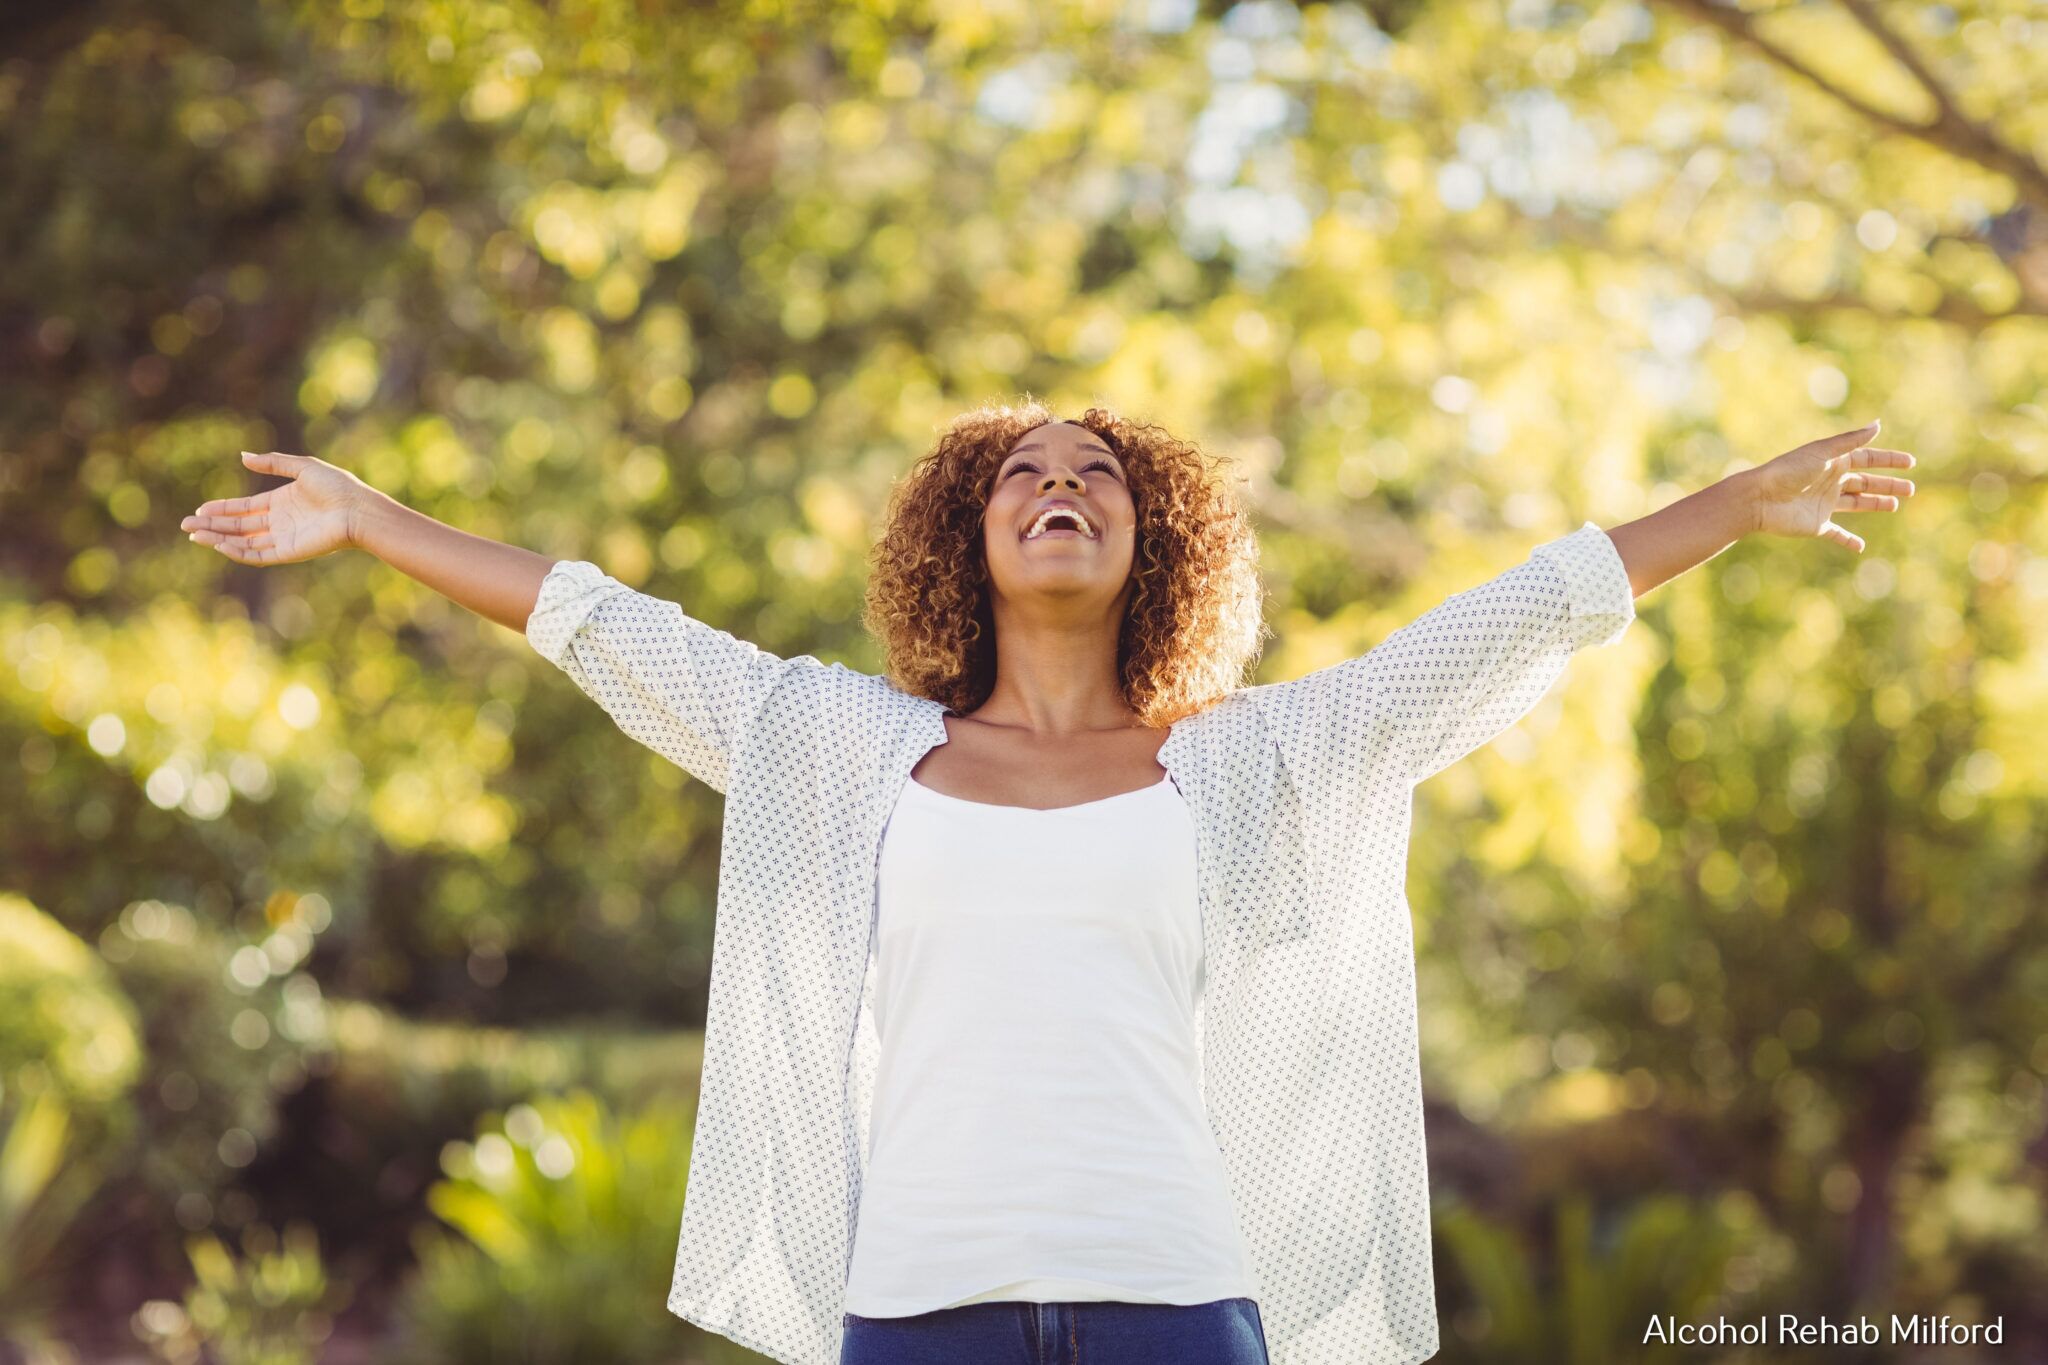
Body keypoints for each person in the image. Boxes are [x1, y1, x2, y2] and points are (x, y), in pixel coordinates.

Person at [180, 400, 1914, 1365]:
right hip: (916, 1309)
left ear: (1156, 545)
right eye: (1023, 473)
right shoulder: (837, 748)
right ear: (969, 538)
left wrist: (1725, 508)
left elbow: (1508, 621)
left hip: (1183, 1302)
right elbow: (600, 622)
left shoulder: (1255, 761)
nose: (1060, 489)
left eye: (1096, 476)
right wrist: (376, 517)